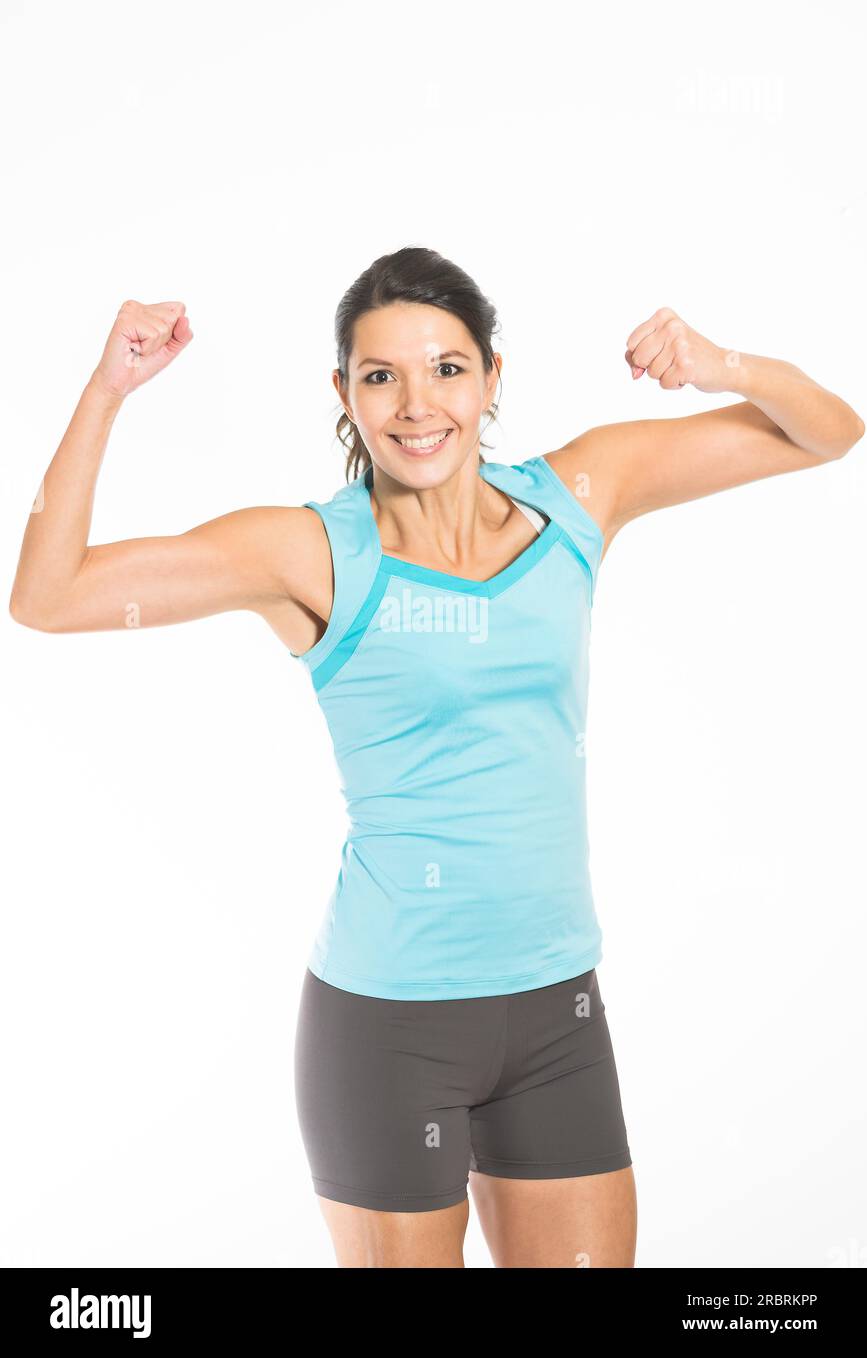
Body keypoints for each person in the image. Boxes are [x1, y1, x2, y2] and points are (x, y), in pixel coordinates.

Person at [9, 248, 863, 1270]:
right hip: (387, 1029)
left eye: (448, 370)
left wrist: (723, 363)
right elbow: (48, 596)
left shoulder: (579, 495)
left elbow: (828, 432)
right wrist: (108, 391)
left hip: (557, 1013)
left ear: (492, 377)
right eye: (382, 377)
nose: (419, 406)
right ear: (345, 394)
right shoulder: (316, 553)